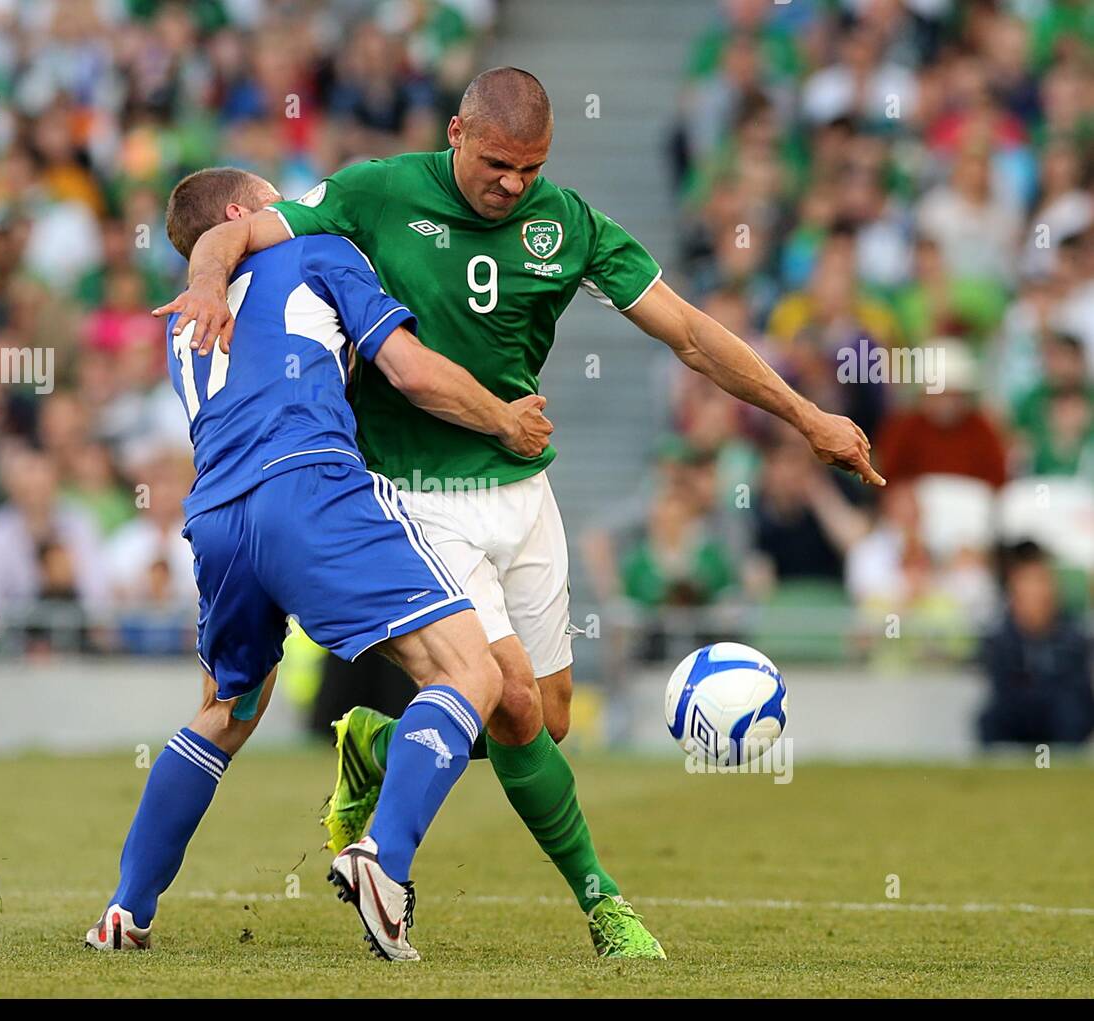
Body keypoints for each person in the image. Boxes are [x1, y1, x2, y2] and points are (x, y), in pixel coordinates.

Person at [156, 68, 883, 956]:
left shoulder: (567, 224)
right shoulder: (374, 192)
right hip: (416, 494)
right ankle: (605, 906)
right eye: (498, 163)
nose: (512, 184)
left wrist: (808, 418)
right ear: (458, 133)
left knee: (549, 715)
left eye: (530, 169)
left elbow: (690, 333)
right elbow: (238, 234)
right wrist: (200, 281)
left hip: (521, 487)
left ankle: (374, 751)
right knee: (510, 710)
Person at [86, 166, 554, 961]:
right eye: (279, 196)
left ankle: (126, 910)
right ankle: (384, 859)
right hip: (309, 488)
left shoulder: (181, 325)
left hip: (216, 518)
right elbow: (406, 371)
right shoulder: (316, 252)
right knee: (469, 676)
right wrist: (503, 420)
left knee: (226, 711)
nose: (295, 204)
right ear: (245, 213)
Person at [978, 543, 1094, 747]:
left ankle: (1061, 767)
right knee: (991, 718)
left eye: (1041, 583)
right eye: (1027, 583)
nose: (1035, 592)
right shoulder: (1000, 637)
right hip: (1018, 709)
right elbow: (1000, 685)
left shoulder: (1073, 636)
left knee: (1071, 712)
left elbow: (1078, 686)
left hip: (1058, 709)